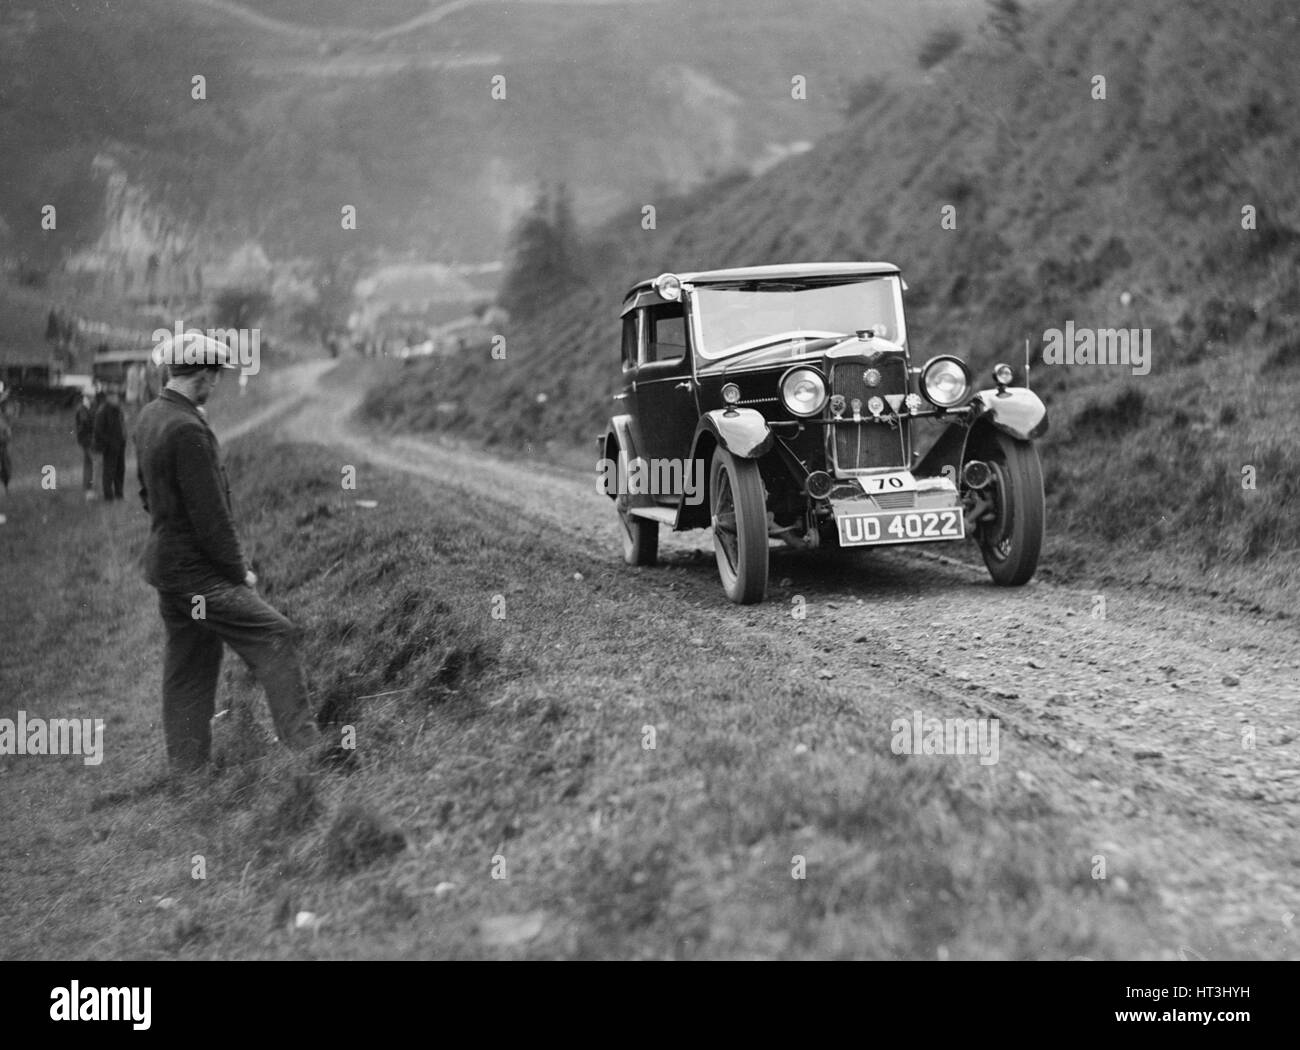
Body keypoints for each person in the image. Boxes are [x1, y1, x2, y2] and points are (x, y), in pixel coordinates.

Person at [133, 333, 319, 772]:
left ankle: (187, 770)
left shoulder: (149, 417)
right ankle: (308, 750)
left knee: (190, 665)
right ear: (201, 374)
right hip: (198, 575)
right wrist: (238, 571)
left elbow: (147, 495)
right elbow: (211, 515)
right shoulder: (188, 429)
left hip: (167, 569)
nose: (215, 385)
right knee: (276, 635)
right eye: (213, 376)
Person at [92, 386, 127, 501]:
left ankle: (119, 493)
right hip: (109, 447)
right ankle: (108, 496)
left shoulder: (118, 409)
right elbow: (98, 430)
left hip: (120, 446)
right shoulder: (103, 411)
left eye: (117, 396)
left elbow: (122, 425)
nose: (117, 398)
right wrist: (110, 443)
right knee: (109, 471)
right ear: (109, 397)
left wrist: (123, 439)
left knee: (120, 470)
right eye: (114, 396)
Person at [74, 388, 96, 500]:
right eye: (92, 396)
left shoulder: (88, 407)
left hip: (88, 439)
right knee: (90, 463)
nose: (93, 398)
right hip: (86, 439)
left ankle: (88, 487)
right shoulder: (83, 409)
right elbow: (85, 423)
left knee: (89, 462)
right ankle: (88, 489)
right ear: (87, 396)